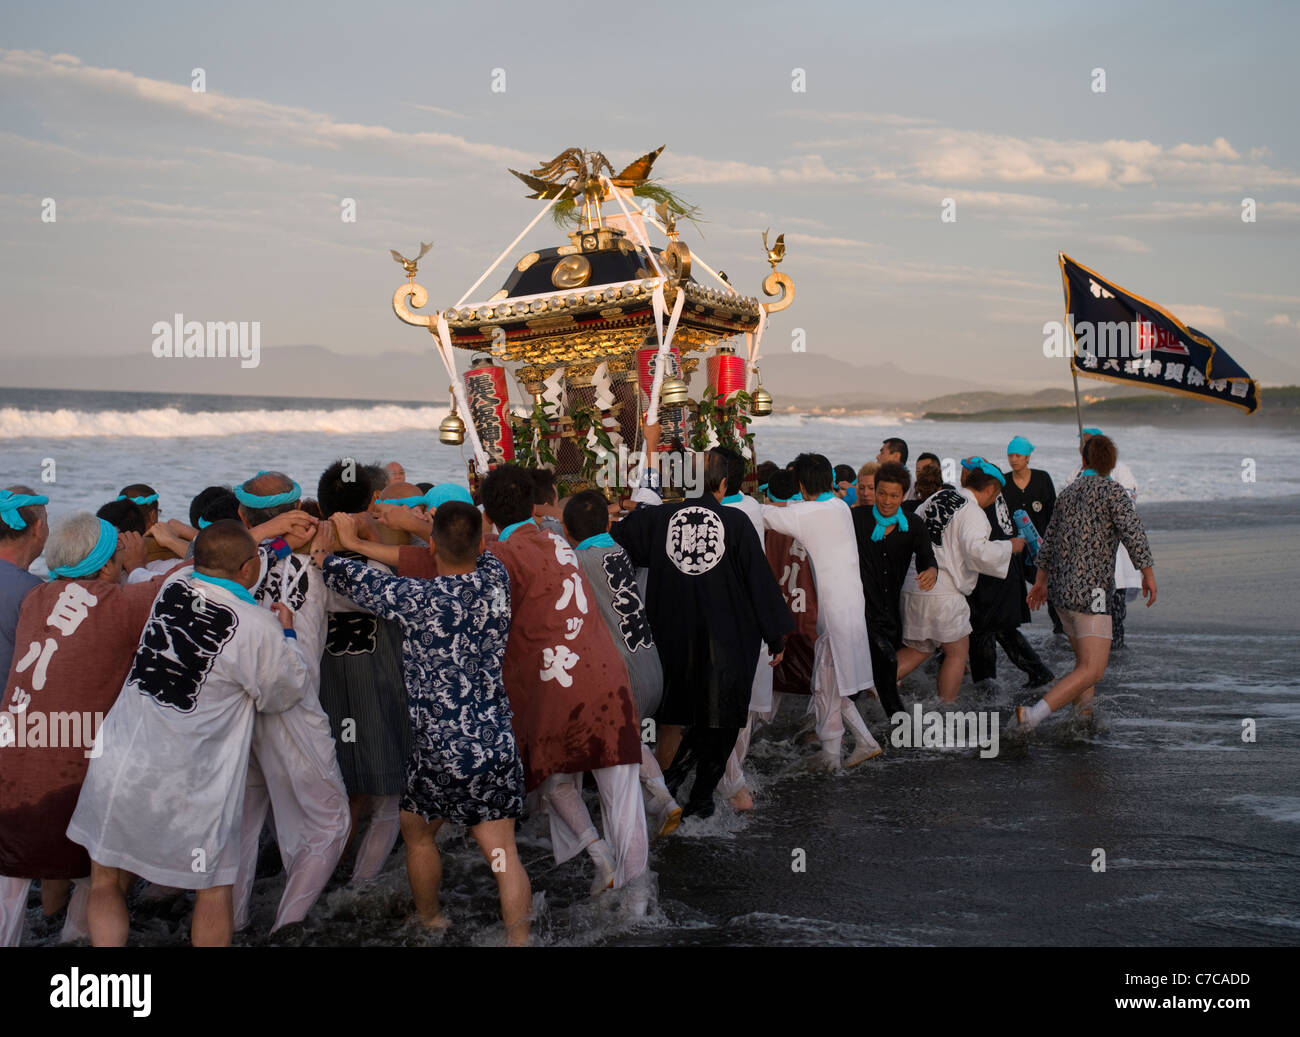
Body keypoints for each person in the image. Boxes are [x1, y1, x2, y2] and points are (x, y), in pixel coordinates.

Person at [66, 521, 311, 946]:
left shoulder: (174, 585)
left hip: (119, 760)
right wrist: (287, 632)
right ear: (250, 568)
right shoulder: (256, 627)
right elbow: (283, 692)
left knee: (105, 876)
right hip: (188, 779)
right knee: (213, 887)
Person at [313, 503, 531, 942]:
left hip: (438, 749)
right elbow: (469, 538)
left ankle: (431, 919)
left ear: (430, 545)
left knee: (415, 832)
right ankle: (520, 940)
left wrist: (334, 543)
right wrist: (414, 526)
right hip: (495, 742)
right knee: (503, 853)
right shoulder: (496, 578)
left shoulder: (419, 599)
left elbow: (339, 572)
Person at [478, 466, 647, 895]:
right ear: (536, 505)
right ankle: (638, 900)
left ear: (488, 512)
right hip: (608, 675)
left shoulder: (500, 554)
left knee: (554, 777)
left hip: (557, 685)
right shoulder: (556, 537)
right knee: (623, 797)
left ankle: (598, 854)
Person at [611, 430, 792, 817]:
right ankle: (702, 796)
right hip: (725, 640)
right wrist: (775, 634)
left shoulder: (657, 519)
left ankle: (662, 791)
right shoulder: (738, 522)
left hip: (670, 635)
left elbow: (615, 541)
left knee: (673, 714)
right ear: (725, 484)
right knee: (722, 716)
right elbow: (758, 580)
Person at [0, 512, 159, 946]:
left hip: (13, 756)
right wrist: (143, 562)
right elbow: (203, 576)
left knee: (11, 877)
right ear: (108, 565)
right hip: (72, 767)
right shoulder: (123, 603)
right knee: (99, 871)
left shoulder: (36, 598)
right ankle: (71, 942)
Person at [230, 471, 350, 934]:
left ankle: (233, 926)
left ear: (241, 515)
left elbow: (191, 562)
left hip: (238, 706)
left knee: (239, 827)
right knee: (331, 822)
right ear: (299, 509)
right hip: (292, 707)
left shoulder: (228, 567)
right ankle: (288, 925)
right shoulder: (319, 566)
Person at [561, 490, 682, 837]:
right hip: (651, 664)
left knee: (623, 747)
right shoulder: (618, 550)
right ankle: (661, 800)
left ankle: (655, 804)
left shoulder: (579, 561)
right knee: (632, 740)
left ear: (567, 531)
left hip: (623, 675)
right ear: (608, 522)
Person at [315, 460, 410, 885]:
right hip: (376, 685)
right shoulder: (376, 571)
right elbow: (404, 599)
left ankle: (317, 879)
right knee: (389, 796)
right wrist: (370, 538)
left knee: (344, 790)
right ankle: (358, 887)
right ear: (373, 503)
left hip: (325, 690)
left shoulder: (303, 563)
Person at [1020, 435, 1156, 728]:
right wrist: (1148, 575)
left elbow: (1050, 540)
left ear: (1083, 461)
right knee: (1093, 669)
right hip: (1092, 593)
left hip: (1061, 592)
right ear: (1112, 464)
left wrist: (1040, 582)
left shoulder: (1068, 493)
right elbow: (1135, 536)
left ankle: (1081, 721)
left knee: (1083, 665)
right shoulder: (1114, 493)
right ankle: (1033, 716)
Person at [762, 453, 880, 770]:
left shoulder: (805, 512)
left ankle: (832, 760)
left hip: (834, 614)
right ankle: (862, 743)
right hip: (851, 605)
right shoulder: (839, 507)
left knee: (827, 683)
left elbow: (760, 516)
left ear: (800, 483)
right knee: (833, 682)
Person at [896, 458, 1024, 702]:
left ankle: (874, 685)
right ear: (990, 490)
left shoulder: (934, 499)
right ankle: (945, 709)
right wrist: (1010, 546)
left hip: (913, 583)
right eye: (995, 496)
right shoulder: (973, 511)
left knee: (919, 648)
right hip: (942, 590)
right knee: (957, 652)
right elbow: (978, 553)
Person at [850, 462, 938, 719]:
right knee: (887, 669)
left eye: (894, 495)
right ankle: (902, 730)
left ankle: (839, 725)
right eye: (881, 493)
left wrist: (931, 572)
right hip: (859, 614)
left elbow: (927, 559)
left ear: (904, 495)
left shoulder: (913, 525)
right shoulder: (856, 519)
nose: (886, 501)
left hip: (890, 615)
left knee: (868, 678)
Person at [965, 467, 1054, 689]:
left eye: (967, 473)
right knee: (998, 628)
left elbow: (981, 546)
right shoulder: (995, 497)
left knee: (986, 629)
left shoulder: (977, 505)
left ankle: (986, 684)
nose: (963, 478)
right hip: (1001, 567)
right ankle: (1033, 673)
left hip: (995, 571)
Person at [1070, 428, 1141, 648]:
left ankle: (1116, 644)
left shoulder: (1120, 470)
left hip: (1115, 553)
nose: (1086, 447)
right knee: (1096, 608)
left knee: (1116, 603)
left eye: (1090, 443)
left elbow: (1128, 501)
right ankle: (1098, 646)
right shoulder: (1076, 474)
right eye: (1083, 443)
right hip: (1088, 558)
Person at [1001, 435, 1062, 635]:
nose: (1013, 459)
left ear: (1027, 457)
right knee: (1015, 587)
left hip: (1044, 546)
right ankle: (1013, 626)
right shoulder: (1004, 482)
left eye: (1018, 455)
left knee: (1051, 586)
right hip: (1017, 548)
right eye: (1010, 455)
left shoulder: (1042, 478)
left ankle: (1060, 627)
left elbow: (1054, 511)